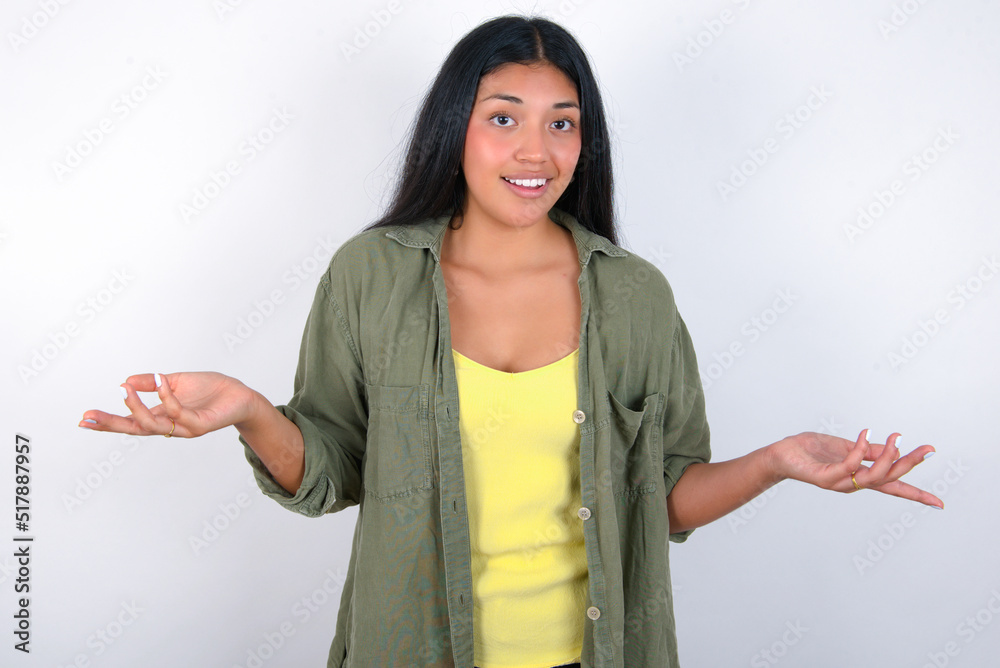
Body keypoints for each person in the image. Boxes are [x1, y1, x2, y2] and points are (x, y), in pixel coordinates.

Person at [78, 14, 943, 668]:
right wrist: (248, 411)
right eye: (504, 118)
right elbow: (333, 474)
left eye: (562, 122)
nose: (536, 149)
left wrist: (778, 461)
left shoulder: (635, 296)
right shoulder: (369, 276)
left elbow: (664, 500)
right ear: (455, 128)